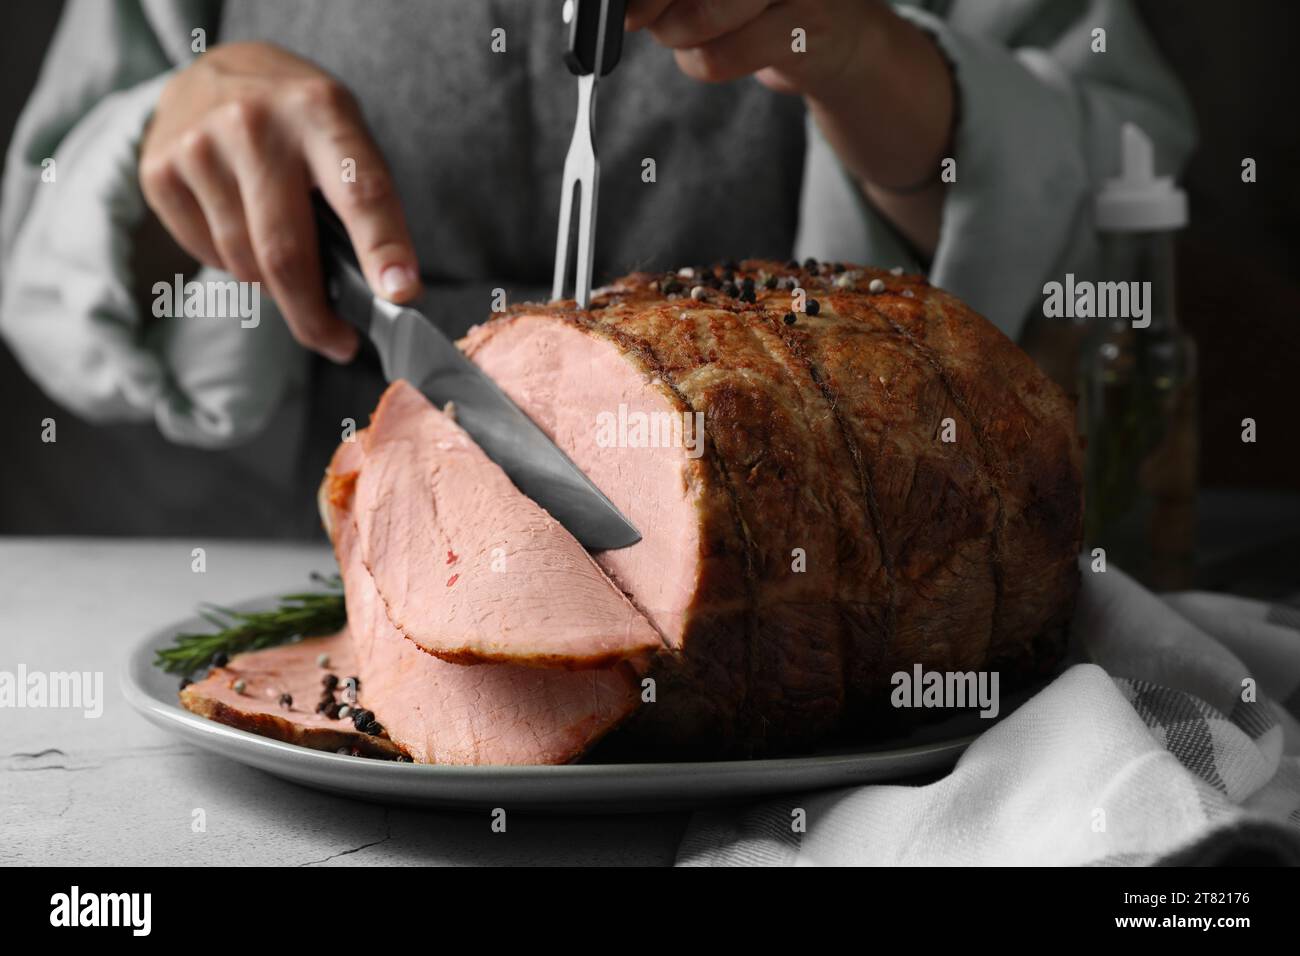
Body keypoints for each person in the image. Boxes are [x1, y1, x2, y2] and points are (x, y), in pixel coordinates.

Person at [0, 0, 1194, 536]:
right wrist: (166, 138)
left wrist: (855, 51)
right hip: (242, 559)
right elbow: (42, 225)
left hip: (789, 572)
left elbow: (1112, 189)